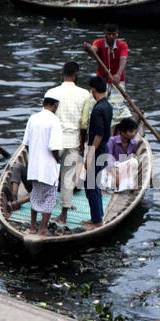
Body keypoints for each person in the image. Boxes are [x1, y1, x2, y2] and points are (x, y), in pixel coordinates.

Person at [45, 60, 92, 227]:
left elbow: (46, 119)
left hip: (53, 142)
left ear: (62, 73)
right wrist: (81, 145)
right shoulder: (85, 94)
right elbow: (84, 123)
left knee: (49, 177)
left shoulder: (51, 92)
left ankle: (45, 212)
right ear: (76, 74)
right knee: (67, 179)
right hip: (72, 141)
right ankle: (63, 216)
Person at [17, 93, 65, 236]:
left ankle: (33, 227)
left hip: (34, 166)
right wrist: (57, 161)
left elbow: (25, 144)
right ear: (55, 105)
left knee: (35, 195)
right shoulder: (54, 121)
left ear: (43, 103)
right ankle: (43, 228)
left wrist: (35, 156)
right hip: (48, 166)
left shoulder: (33, 118)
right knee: (49, 197)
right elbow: (54, 147)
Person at [83, 74, 112, 228]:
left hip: (98, 150)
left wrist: (90, 154)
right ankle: (97, 216)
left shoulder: (98, 109)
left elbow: (99, 134)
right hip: (104, 148)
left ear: (93, 90)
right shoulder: (108, 106)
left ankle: (96, 220)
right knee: (93, 184)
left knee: (91, 185)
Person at [88, 23, 128, 119]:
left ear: (117, 34)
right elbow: (94, 49)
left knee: (117, 108)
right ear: (104, 33)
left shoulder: (122, 45)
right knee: (93, 105)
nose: (110, 37)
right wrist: (90, 49)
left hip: (117, 80)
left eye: (113, 35)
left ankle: (113, 131)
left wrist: (118, 74)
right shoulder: (99, 42)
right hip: (102, 79)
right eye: (108, 34)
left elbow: (123, 59)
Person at [101, 118, 140, 192]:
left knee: (134, 161)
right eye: (131, 131)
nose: (134, 134)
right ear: (122, 132)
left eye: (134, 131)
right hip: (111, 168)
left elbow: (131, 159)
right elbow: (109, 158)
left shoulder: (134, 143)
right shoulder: (111, 141)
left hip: (122, 168)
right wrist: (115, 171)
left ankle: (124, 186)